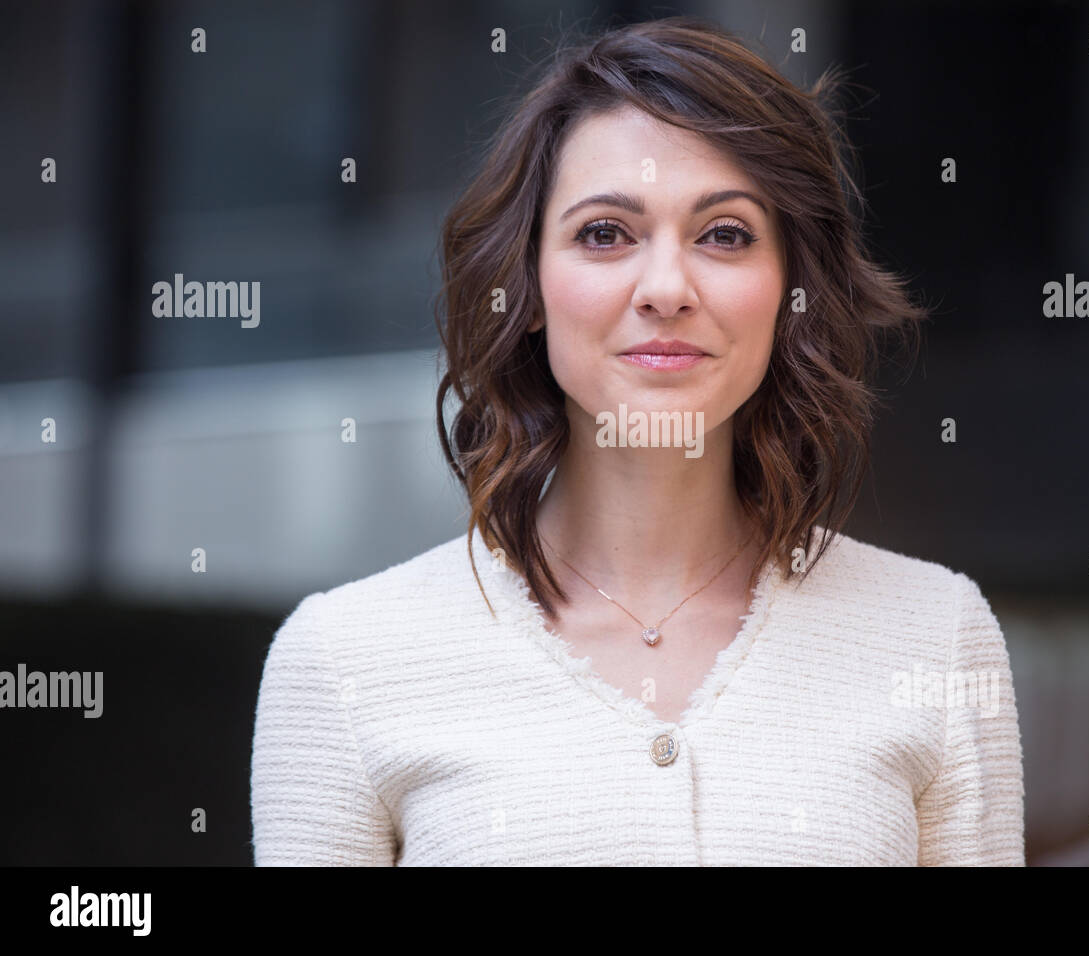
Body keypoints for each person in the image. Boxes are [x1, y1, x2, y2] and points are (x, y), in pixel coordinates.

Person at [250, 15, 1025, 866]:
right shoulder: (345, 658)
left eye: (725, 234)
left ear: (789, 287)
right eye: (605, 234)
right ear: (530, 287)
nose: (665, 288)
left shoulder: (934, 636)